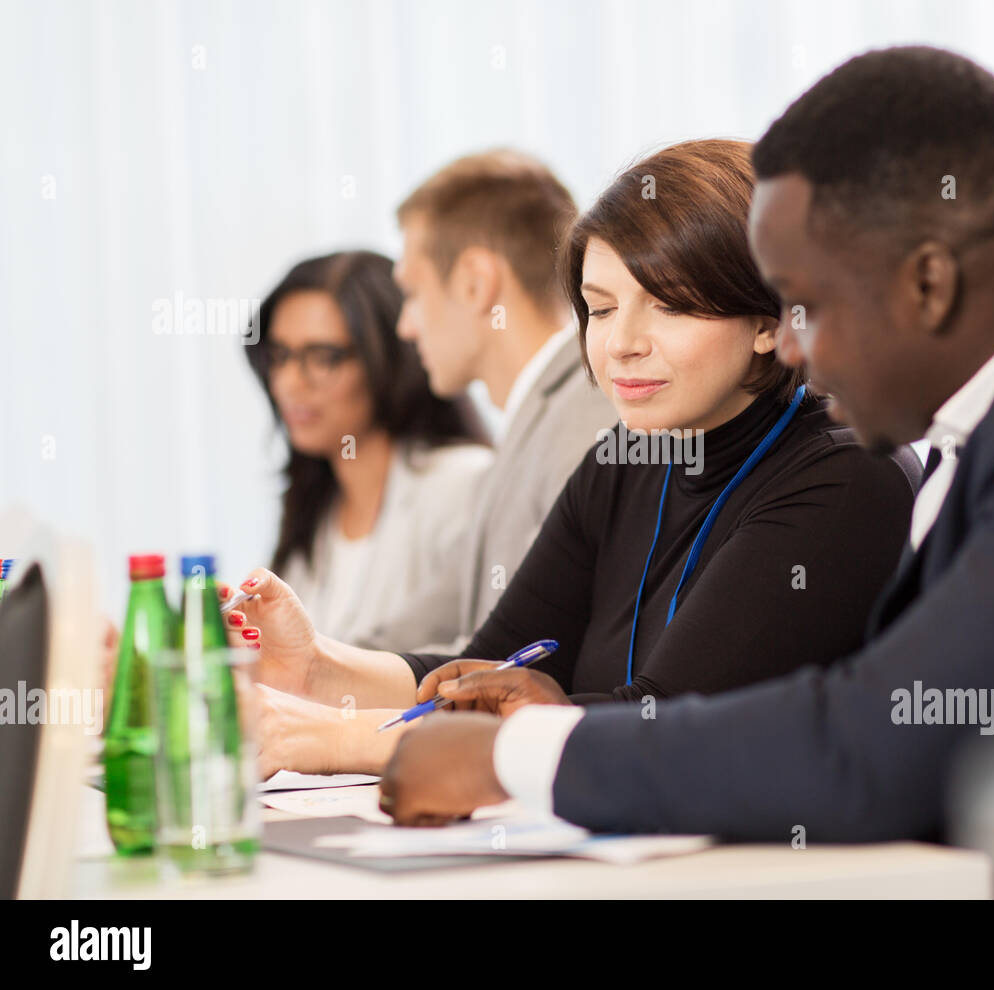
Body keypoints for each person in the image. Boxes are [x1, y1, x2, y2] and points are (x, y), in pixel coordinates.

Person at [375, 46, 994, 841]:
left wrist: (519, 752)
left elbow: (876, 742)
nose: (794, 347)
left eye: (803, 304)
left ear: (926, 283)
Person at [230, 139, 921, 778]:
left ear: (771, 321)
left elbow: (658, 727)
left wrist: (329, 739)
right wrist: (317, 668)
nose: (620, 343)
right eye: (601, 307)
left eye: (666, 307)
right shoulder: (625, 458)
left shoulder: (845, 476)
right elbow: (491, 666)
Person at [392, 150, 616, 642]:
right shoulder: (534, 417)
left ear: (475, 283)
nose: (405, 325)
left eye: (412, 291)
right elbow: (437, 615)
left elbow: (535, 647)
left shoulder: (589, 415)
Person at [244, 250, 492, 651]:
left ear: (390, 360)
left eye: (323, 358)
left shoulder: (463, 484)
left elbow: (478, 660)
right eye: (279, 356)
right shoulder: (315, 505)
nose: (289, 382)